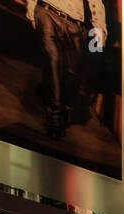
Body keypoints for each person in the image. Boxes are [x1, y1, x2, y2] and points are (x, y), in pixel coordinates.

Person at [26, 0, 107, 139]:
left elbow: (96, 2)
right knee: (53, 60)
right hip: (47, 12)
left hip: (75, 25)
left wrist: (99, 32)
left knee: (72, 74)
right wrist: (31, 11)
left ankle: (64, 108)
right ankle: (54, 118)